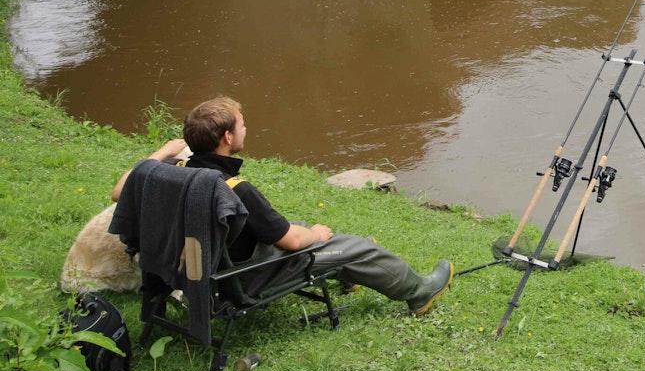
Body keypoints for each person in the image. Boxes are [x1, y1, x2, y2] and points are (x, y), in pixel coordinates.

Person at [112, 96, 453, 316]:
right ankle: (418, 292)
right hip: (244, 277)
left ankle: (350, 270)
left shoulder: (175, 172)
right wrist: (315, 234)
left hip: (197, 269)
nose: (246, 128)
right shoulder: (233, 188)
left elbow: (120, 191)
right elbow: (291, 242)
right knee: (345, 244)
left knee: (301, 227)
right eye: (242, 125)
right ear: (228, 138)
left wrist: (161, 154)